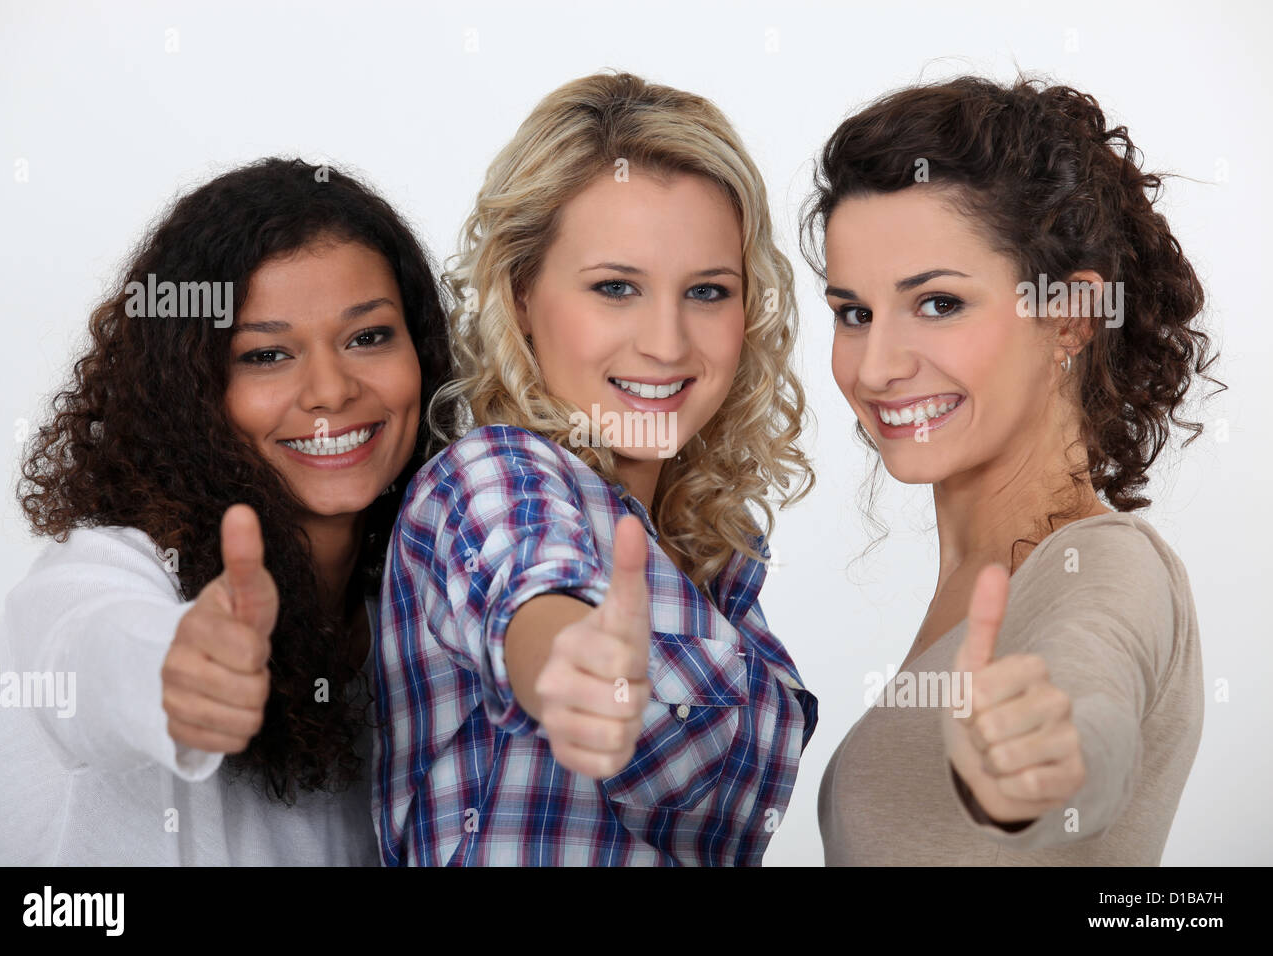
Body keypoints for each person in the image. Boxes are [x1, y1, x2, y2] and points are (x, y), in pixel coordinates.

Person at [373, 71, 817, 866]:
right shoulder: (494, 474)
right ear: (518, 297)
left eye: (708, 291)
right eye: (616, 288)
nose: (668, 343)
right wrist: (574, 666)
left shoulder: (721, 553)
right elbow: (533, 592)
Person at [0, 157, 453, 865]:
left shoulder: (410, 611)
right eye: (266, 354)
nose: (329, 389)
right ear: (192, 392)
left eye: (368, 337)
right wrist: (183, 670)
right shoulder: (102, 572)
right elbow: (94, 649)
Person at [801, 76, 1221, 865]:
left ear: (1069, 315)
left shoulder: (1103, 563)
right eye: (853, 313)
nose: (878, 367)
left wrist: (1052, 758)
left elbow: (1091, 696)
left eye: (938, 304)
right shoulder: (976, 582)